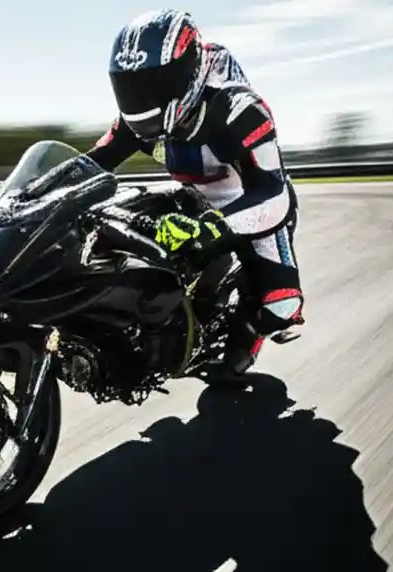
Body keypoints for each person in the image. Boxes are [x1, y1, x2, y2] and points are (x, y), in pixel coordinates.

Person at [85, 9, 304, 377]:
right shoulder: (137, 118)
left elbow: (274, 195)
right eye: (132, 86)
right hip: (192, 194)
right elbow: (94, 161)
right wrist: (37, 190)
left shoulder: (240, 110)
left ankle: (249, 332)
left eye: (154, 83)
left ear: (188, 71)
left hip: (250, 202)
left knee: (279, 307)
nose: (141, 99)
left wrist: (212, 229)